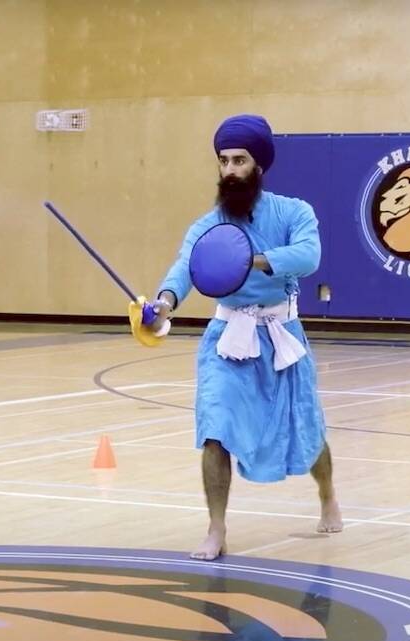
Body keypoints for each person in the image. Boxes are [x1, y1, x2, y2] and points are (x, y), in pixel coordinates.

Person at [150, 114, 342, 561]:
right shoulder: (207, 226)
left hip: (281, 336)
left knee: (306, 426)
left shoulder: (294, 212)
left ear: (259, 165)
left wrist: (248, 259)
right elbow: (185, 267)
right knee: (215, 429)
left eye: (239, 160)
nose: (230, 169)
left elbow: (308, 255)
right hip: (227, 338)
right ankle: (216, 527)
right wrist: (163, 302)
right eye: (223, 160)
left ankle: (328, 494)